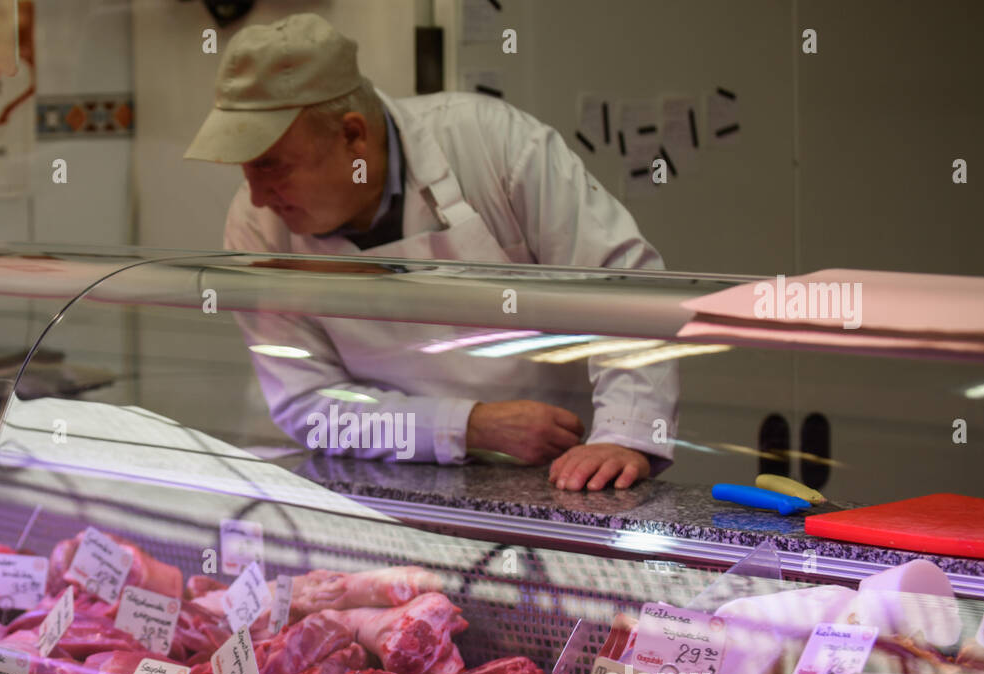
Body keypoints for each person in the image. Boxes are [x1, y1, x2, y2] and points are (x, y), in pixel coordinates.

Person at [185, 13, 678, 491]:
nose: (256, 195)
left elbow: (621, 281)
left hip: (573, 472)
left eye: (272, 166)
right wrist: (466, 426)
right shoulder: (257, 227)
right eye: (244, 169)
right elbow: (310, 406)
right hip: (394, 478)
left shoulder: (491, 144)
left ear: (352, 134)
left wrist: (623, 435)